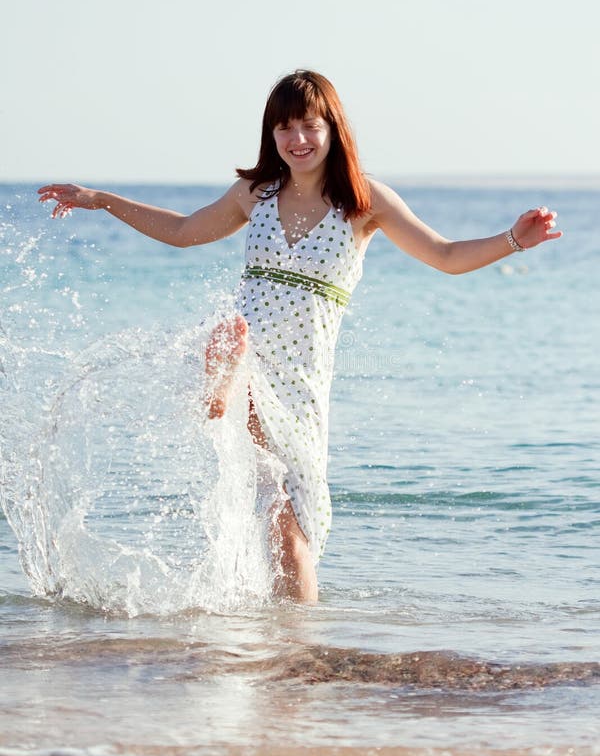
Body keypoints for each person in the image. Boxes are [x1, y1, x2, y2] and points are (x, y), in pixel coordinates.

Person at [37, 69, 562, 604]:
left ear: (332, 129)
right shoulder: (255, 194)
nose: (297, 139)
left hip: (303, 381)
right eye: (284, 128)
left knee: (290, 531)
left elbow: (446, 256)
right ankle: (224, 383)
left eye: (309, 125)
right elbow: (181, 232)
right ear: (272, 136)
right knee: (269, 481)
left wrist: (512, 241)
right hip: (251, 349)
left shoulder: (363, 202)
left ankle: (293, 653)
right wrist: (100, 199)